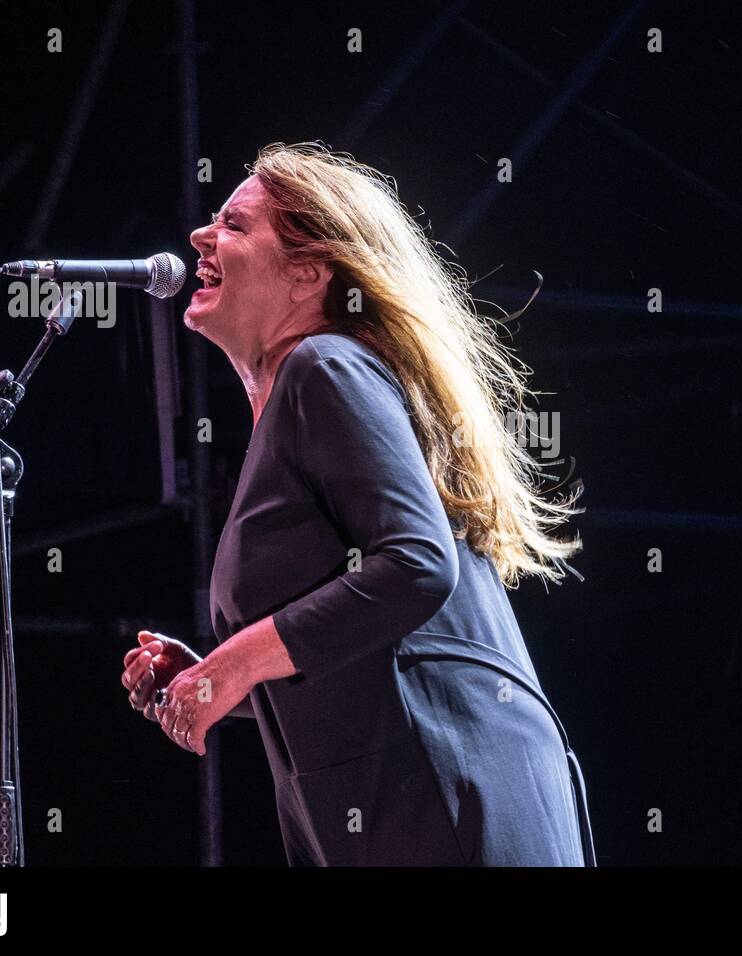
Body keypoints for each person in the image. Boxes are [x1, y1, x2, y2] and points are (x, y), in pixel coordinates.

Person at [118, 142, 595, 866]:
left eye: (236, 225)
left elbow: (416, 565)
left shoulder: (325, 363)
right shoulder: (305, 398)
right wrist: (216, 678)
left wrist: (240, 661)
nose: (200, 237)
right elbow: (364, 648)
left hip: (443, 788)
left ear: (308, 273)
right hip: (393, 803)